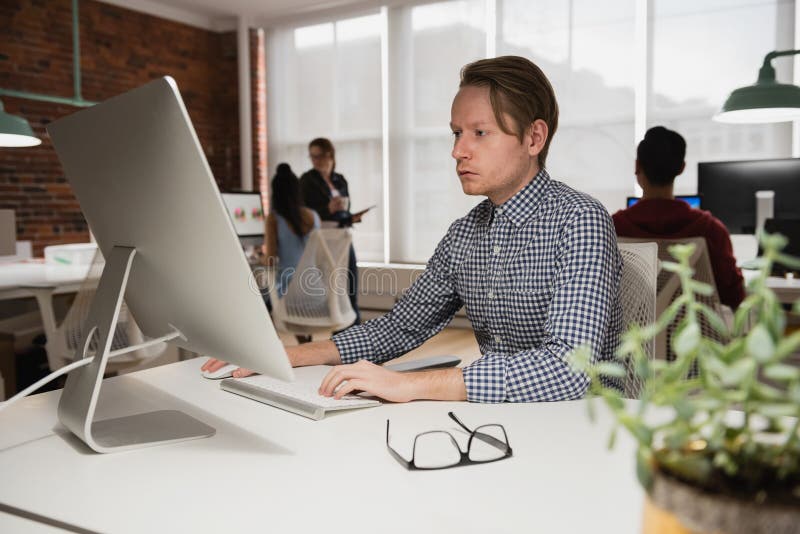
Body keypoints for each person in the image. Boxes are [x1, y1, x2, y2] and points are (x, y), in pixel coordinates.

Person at [203, 55, 622, 404]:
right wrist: (287, 355)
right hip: (507, 419)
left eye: (480, 133)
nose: (458, 150)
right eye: (457, 133)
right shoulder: (464, 234)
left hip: (583, 429)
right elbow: (400, 326)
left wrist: (410, 384)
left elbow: (570, 370)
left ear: (534, 138)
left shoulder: (580, 220)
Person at [612, 126, 745, 310]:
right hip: (693, 336)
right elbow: (734, 297)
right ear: (681, 168)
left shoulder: (612, 228)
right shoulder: (711, 230)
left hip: (633, 337)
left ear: (637, 166)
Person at [299, 138, 362, 325]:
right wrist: (327, 209)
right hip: (322, 239)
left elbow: (345, 208)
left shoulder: (340, 180)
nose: (316, 160)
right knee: (330, 290)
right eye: (313, 156)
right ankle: (336, 336)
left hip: (342, 236)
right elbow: (304, 214)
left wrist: (350, 217)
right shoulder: (307, 180)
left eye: (320, 156)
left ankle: (353, 334)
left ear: (330, 155)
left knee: (350, 285)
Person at [265, 163, 320, 299]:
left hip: (289, 297)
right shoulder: (314, 216)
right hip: (316, 294)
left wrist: (259, 258)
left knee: (259, 299)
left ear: (275, 193)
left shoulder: (274, 218)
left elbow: (270, 260)